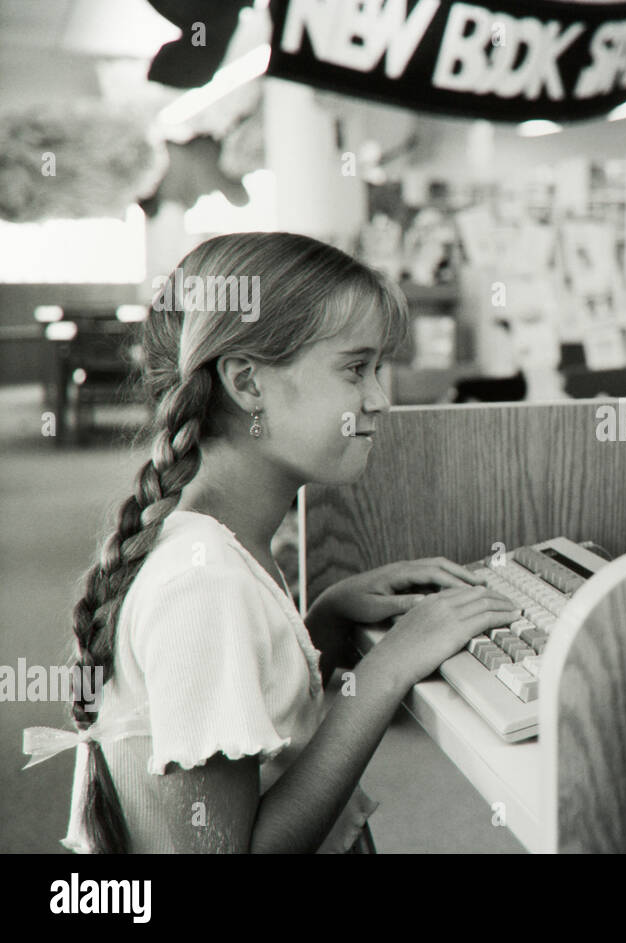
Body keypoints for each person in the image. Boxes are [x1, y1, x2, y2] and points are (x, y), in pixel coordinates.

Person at [37, 231, 520, 853]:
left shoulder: (215, 542)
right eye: (356, 369)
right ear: (248, 384)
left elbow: (254, 724)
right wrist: (389, 667)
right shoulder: (205, 584)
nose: (380, 400)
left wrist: (325, 619)